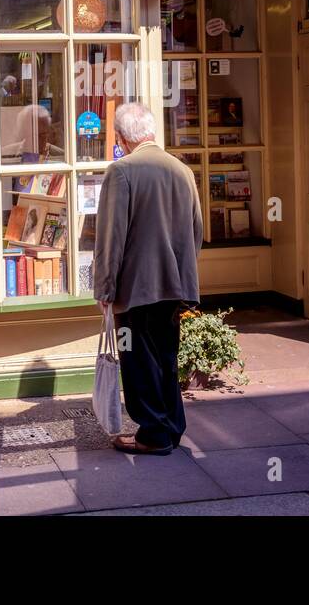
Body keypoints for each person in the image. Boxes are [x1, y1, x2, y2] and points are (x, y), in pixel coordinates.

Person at [93, 102, 203, 455]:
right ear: (151, 132)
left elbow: (111, 238)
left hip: (135, 289)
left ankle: (153, 434)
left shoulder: (121, 172)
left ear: (123, 138)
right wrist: (182, 274)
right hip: (175, 287)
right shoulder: (182, 171)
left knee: (138, 362)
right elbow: (197, 231)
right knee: (165, 358)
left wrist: (105, 288)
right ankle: (171, 427)